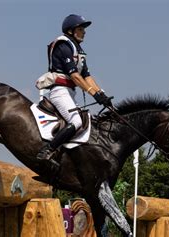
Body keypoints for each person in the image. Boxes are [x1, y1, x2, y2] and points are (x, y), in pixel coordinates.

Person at [36, 14, 114, 168]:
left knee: (87, 121)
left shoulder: (78, 50)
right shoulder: (63, 45)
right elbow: (75, 77)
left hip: (70, 92)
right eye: (80, 29)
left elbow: (87, 77)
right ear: (71, 31)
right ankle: (47, 150)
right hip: (59, 91)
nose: (84, 32)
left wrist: (102, 94)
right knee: (76, 121)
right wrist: (94, 94)